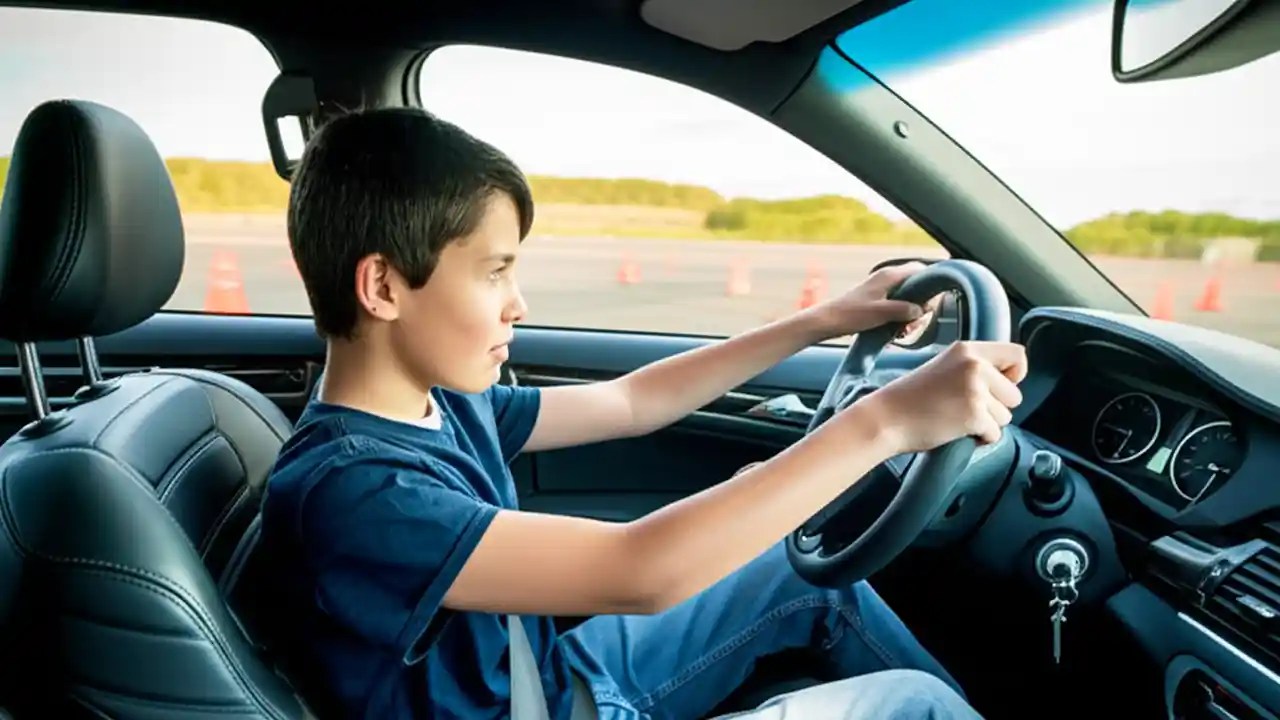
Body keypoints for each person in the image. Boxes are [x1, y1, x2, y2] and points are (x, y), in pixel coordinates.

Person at [258, 106, 1026, 720]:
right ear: (384, 287)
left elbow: (632, 400)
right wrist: (885, 422)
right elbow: (638, 572)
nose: (518, 304)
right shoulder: (358, 492)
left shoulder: (444, 403)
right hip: (547, 703)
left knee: (799, 571)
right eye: (494, 273)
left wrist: (822, 320)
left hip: (558, 677)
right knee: (916, 705)